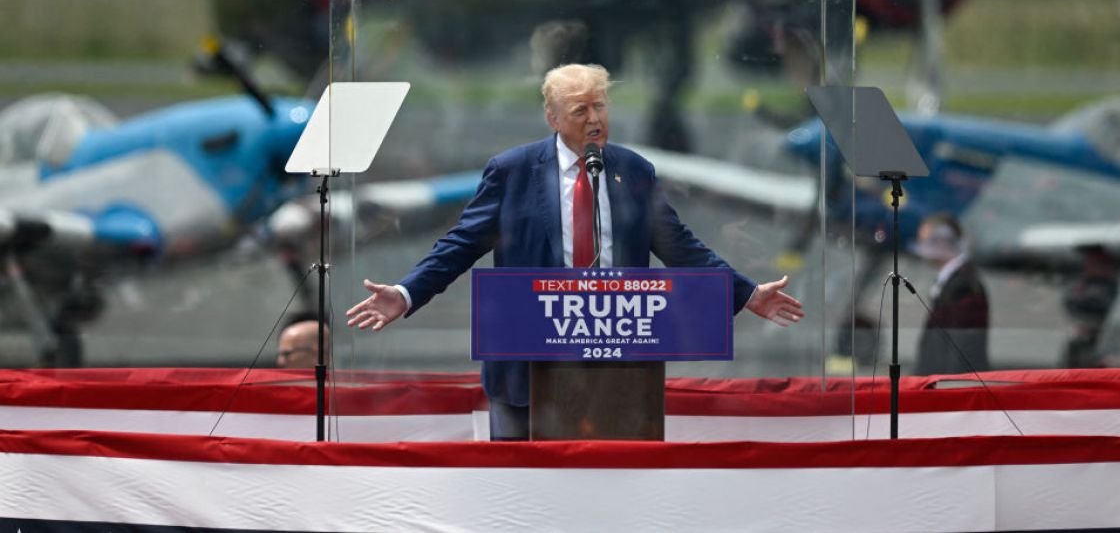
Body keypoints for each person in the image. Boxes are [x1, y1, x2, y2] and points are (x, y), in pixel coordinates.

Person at [346, 63, 805, 440]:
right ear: (553, 118)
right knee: (524, 490)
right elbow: (460, 244)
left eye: (600, 105)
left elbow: (679, 245)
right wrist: (405, 293)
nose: (594, 118)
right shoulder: (512, 172)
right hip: (527, 368)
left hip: (617, 369)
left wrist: (746, 294)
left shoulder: (633, 170)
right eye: (580, 109)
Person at [913, 213, 990, 376]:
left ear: (942, 241)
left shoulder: (962, 285)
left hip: (950, 382)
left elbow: (962, 346)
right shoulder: (957, 280)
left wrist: (950, 384)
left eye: (924, 241)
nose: (921, 247)